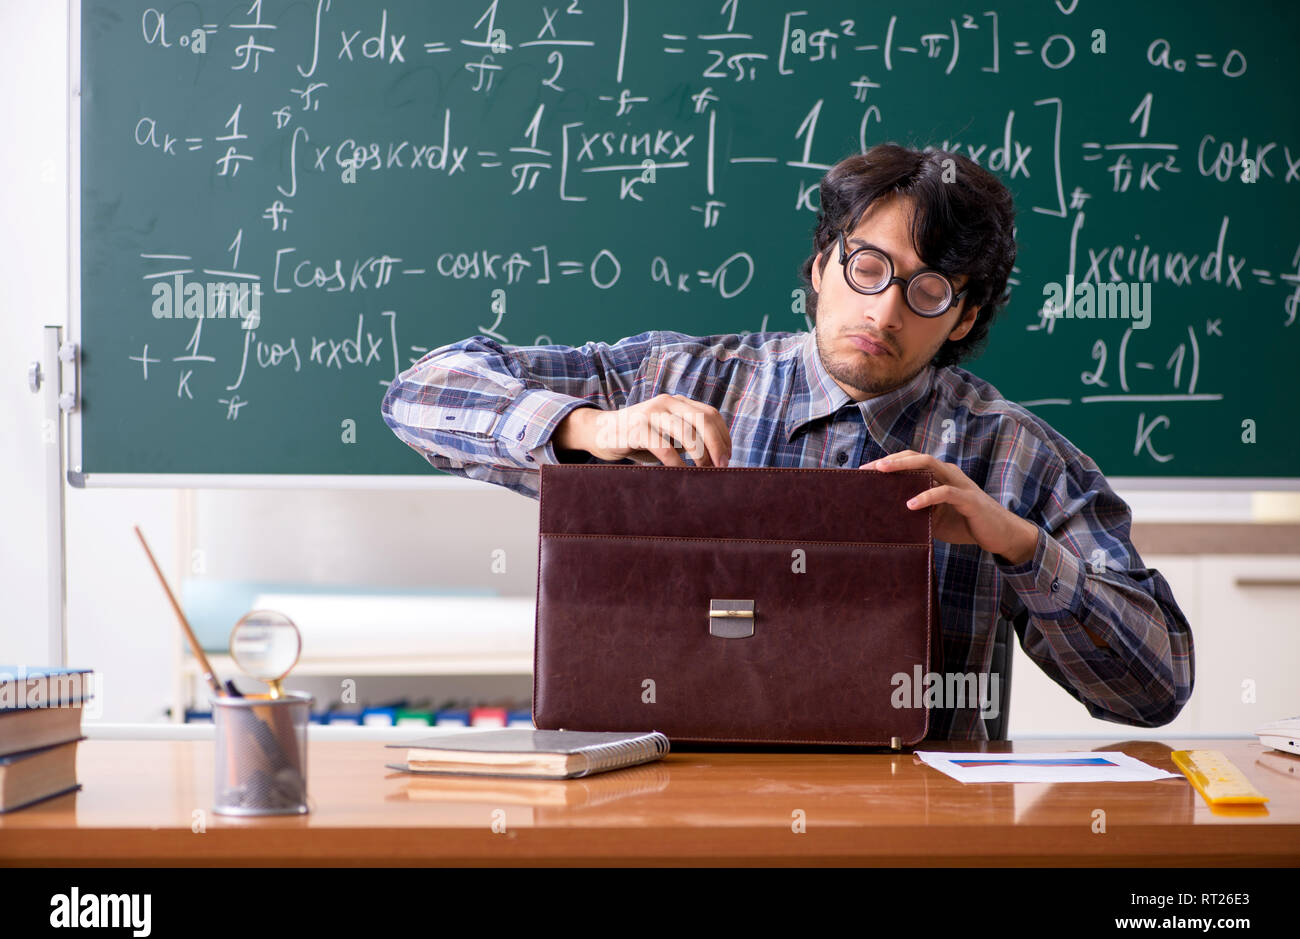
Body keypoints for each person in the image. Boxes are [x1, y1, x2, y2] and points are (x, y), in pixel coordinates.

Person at [381, 142, 1193, 740]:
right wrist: (591, 428)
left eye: (930, 289)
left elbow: (1156, 688)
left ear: (967, 316)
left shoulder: (1013, 455)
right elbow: (419, 391)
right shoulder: (678, 377)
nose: (884, 311)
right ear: (818, 266)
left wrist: (1018, 544)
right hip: (660, 810)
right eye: (867, 266)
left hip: (915, 830)